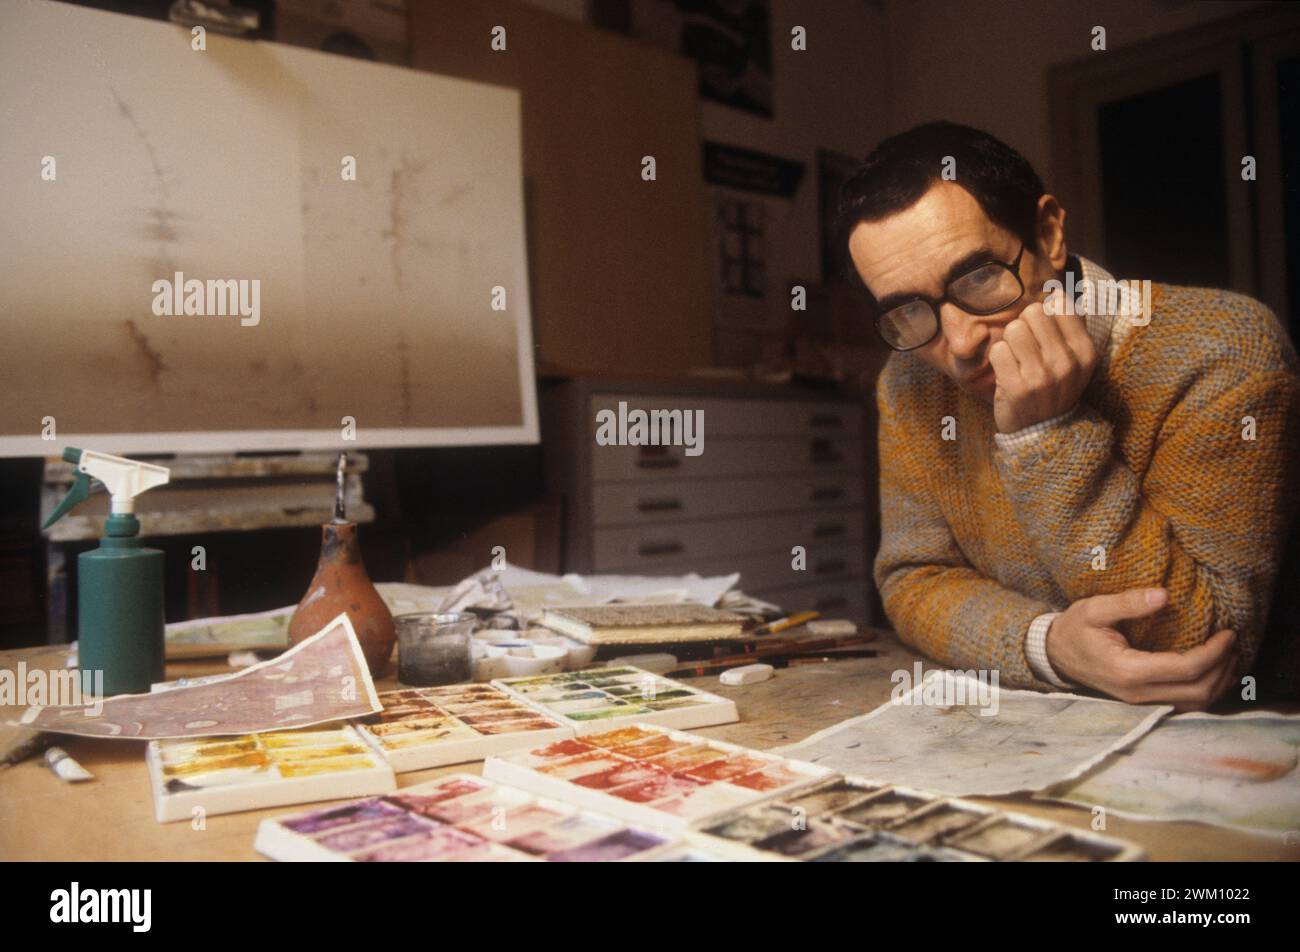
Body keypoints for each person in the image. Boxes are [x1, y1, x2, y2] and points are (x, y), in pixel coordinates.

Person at [839, 121, 1300, 709]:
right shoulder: (910, 380)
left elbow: (1196, 646)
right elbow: (912, 580)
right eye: (907, 309)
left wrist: (1046, 434)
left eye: (979, 278)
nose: (957, 345)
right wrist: (1047, 645)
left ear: (1050, 234)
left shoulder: (1222, 349)